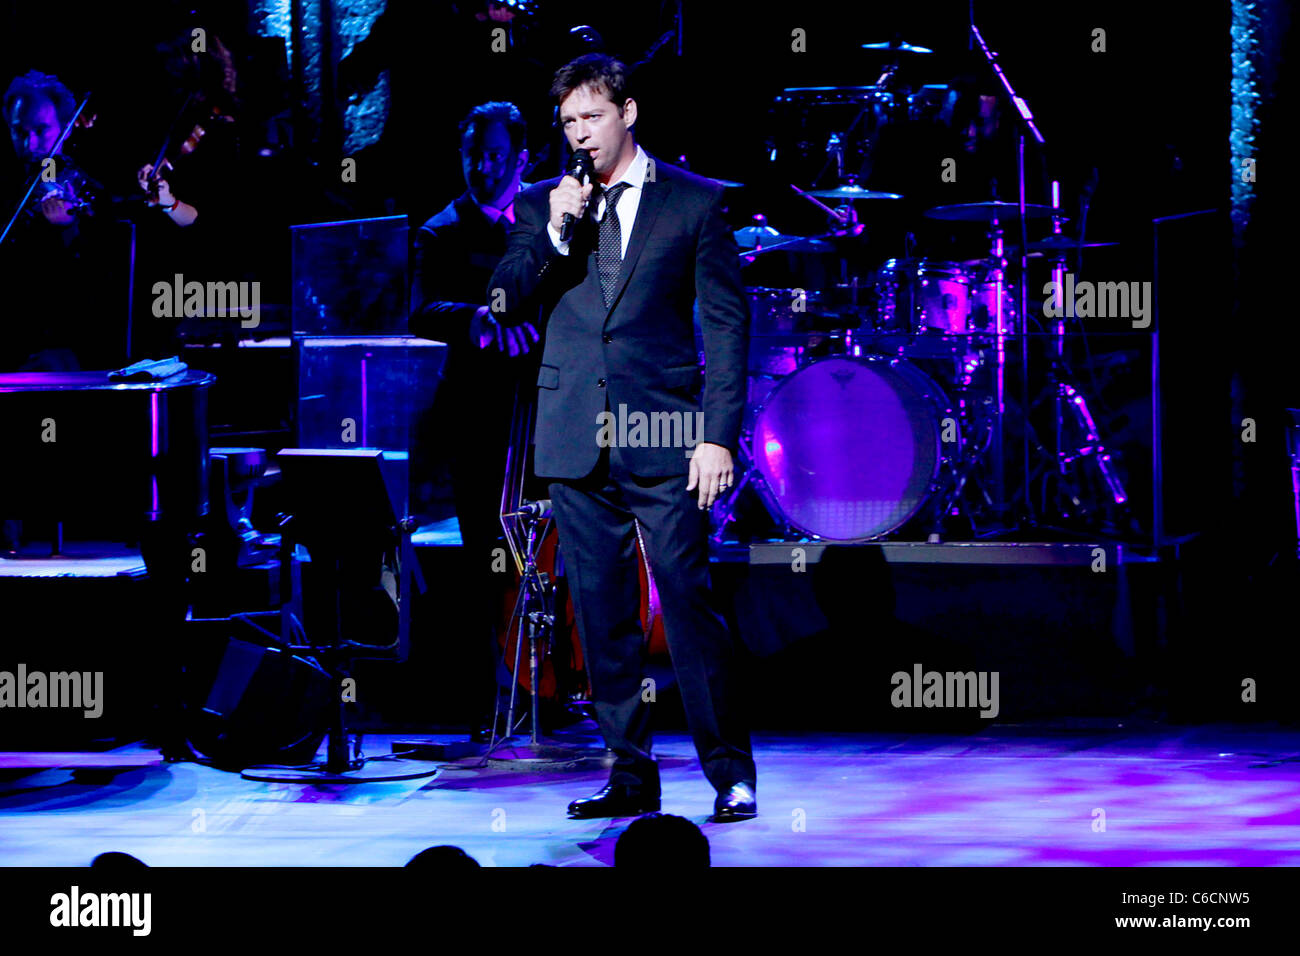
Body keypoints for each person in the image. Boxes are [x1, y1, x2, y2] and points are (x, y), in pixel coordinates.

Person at [489, 54, 756, 821]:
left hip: (664, 431)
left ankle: (730, 772)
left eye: (592, 118)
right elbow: (505, 302)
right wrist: (550, 231)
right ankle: (629, 771)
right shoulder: (543, 205)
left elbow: (729, 328)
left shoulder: (695, 203)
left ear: (627, 113)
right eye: (568, 122)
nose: (580, 135)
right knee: (601, 613)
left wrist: (717, 435)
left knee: (687, 599)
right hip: (573, 432)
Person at [410, 101, 540, 741]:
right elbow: (422, 310)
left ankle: (552, 684)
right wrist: (478, 319)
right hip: (478, 415)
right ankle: (493, 696)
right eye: (473, 155)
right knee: (488, 557)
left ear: (521, 159)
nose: (483, 168)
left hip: (548, 410)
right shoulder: (441, 231)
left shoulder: (548, 221)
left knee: (545, 552)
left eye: (495, 156)